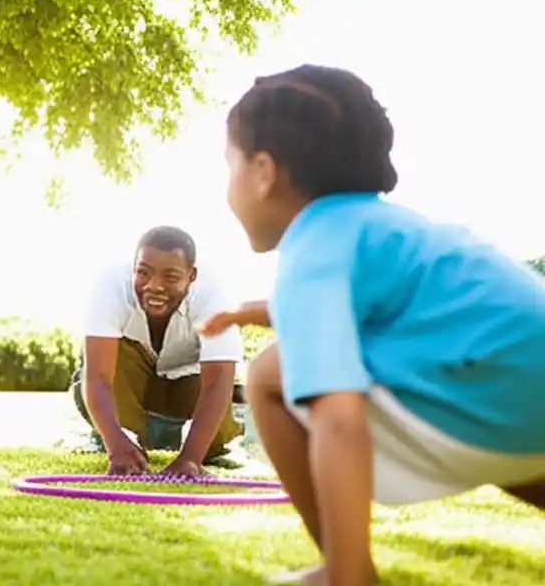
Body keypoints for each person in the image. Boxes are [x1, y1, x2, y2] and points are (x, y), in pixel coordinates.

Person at [210, 64, 545, 585]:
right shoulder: (384, 224)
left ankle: (347, 570)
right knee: (514, 419)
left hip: (488, 395)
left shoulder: (312, 241)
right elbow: (366, 310)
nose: (227, 188)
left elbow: (338, 418)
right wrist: (254, 310)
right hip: (522, 391)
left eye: (229, 166)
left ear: (262, 172)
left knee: (268, 375)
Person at [68, 226, 245, 477]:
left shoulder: (215, 295)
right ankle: (111, 437)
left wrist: (191, 459)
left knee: (214, 438)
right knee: (106, 369)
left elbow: (218, 382)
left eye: (171, 277)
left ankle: (207, 444)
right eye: (143, 273)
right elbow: (97, 377)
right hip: (134, 383)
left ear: (191, 275)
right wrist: (116, 445)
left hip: (189, 380)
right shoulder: (110, 284)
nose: (154, 286)